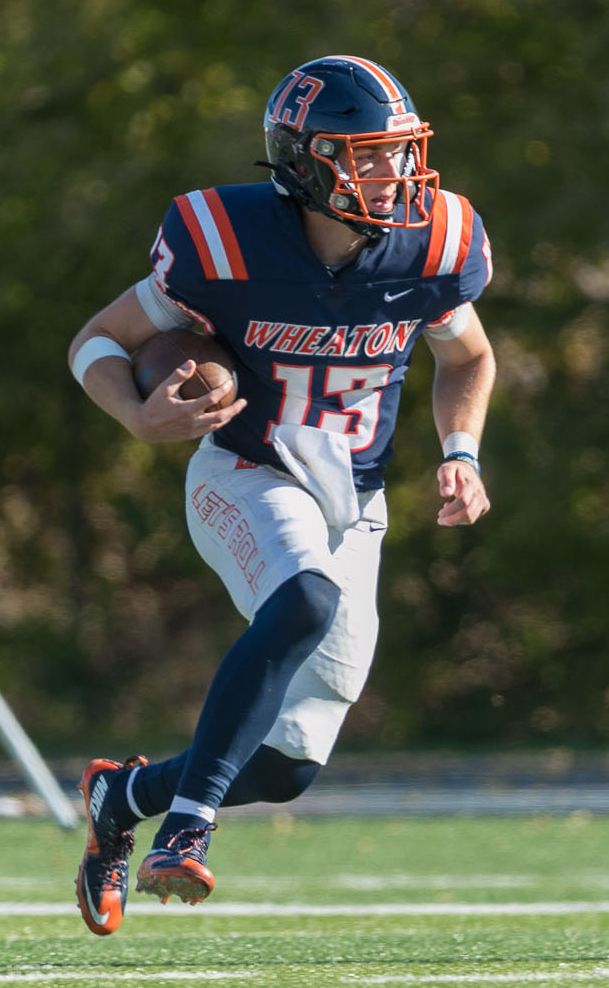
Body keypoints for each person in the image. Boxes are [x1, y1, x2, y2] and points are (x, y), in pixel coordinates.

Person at [63, 55, 496, 936]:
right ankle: (186, 831)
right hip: (246, 469)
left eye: (400, 150)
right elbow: (98, 340)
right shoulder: (223, 239)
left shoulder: (435, 240)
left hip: (356, 498)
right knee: (305, 602)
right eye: (368, 154)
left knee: (290, 765)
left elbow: (469, 356)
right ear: (305, 161)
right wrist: (137, 416)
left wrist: (462, 451)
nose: (395, 172)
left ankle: (125, 797)